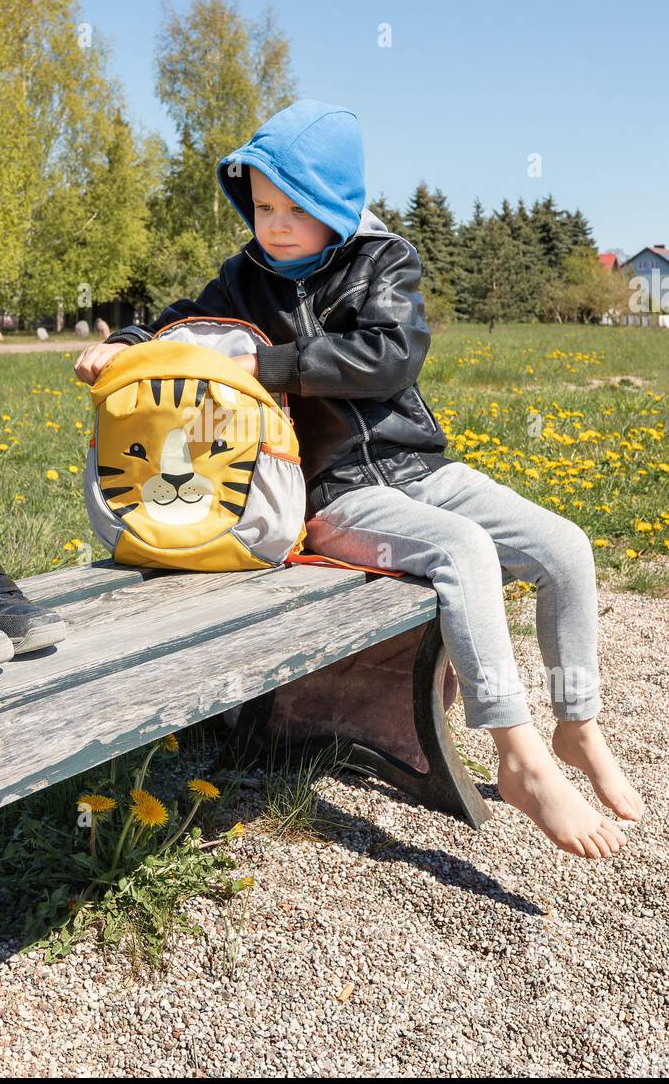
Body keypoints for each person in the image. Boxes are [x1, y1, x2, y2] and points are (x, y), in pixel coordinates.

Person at [75, 98, 645, 860]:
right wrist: (125, 342)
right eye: (263, 207)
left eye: (294, 209)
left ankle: (577, 726)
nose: (273, 225)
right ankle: (519, 753)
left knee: (567, 547)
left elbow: (390, 356)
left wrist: (273, 363)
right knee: (464, 552)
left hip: (419, 467)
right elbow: (182, 327)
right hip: (335, 493)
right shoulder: (244, 280)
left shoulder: (383, 261)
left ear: (337, 207)